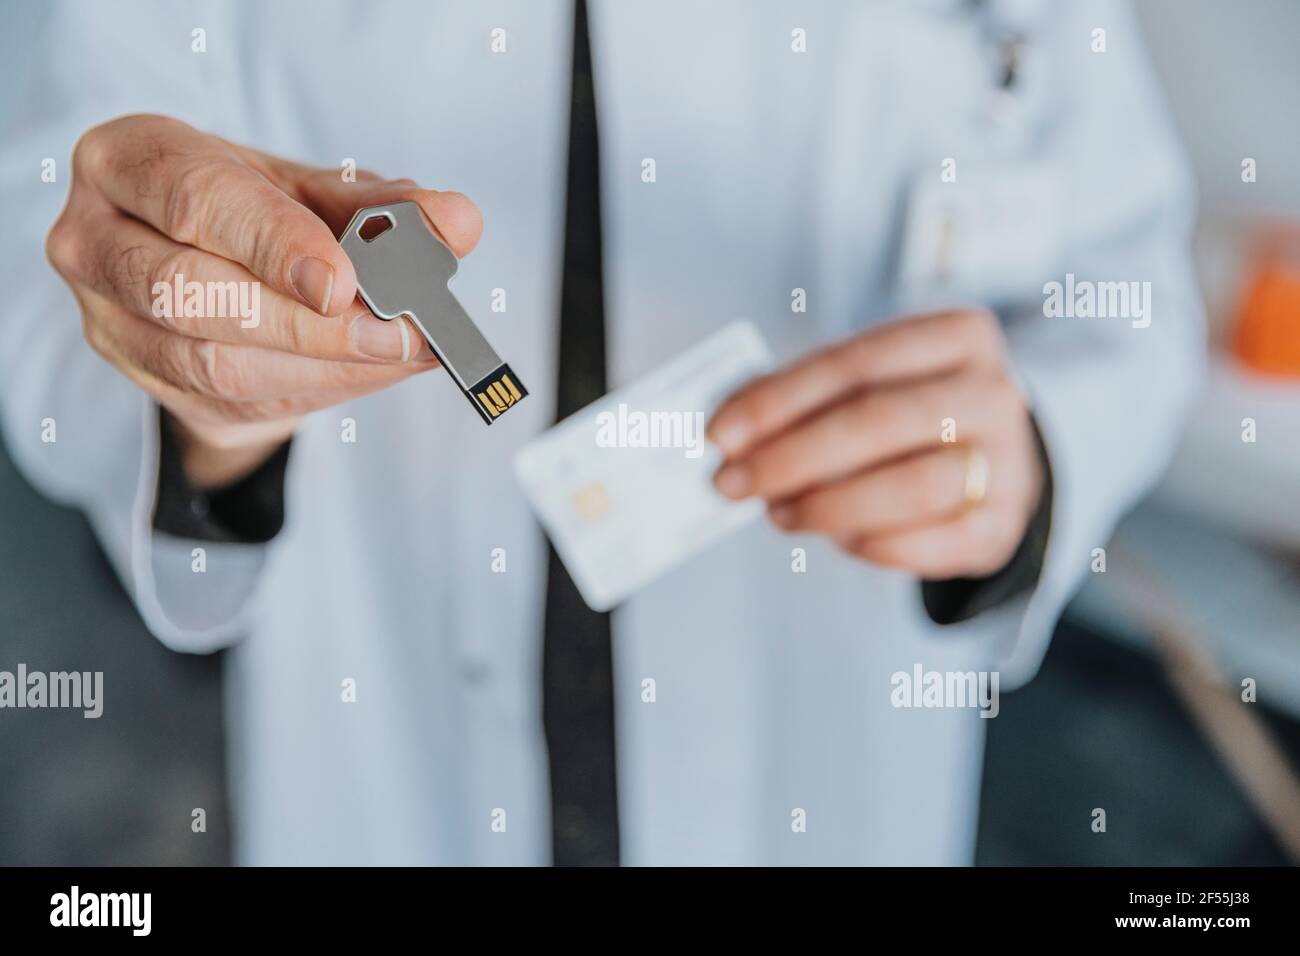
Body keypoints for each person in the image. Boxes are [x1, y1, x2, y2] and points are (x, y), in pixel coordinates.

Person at [0, 0, 1202, 865]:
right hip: (377, 742)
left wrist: (1029, 456)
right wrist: (199, 383)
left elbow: (1130, 277)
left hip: (827, 731)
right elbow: (53, 263)